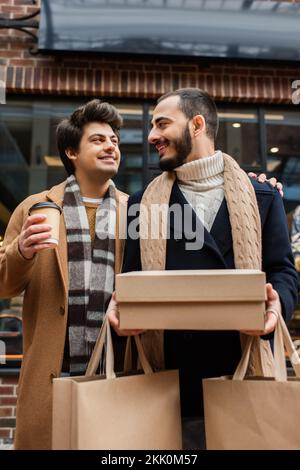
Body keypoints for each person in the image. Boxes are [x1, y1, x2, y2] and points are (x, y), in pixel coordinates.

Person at [108, 88, 298, 449]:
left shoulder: (263, 197)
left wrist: (277, 306)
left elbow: (283, 273)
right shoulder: (141, 204)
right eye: (151, 125)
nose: (151, 135)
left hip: (244, 377)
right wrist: (121, 312)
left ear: (197, 125)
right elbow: (128, 283)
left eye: (162, 123)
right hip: (166, 389)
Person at [0, 99, 128, 450]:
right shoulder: (35, 207)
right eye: (98, 140)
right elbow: (3, 283)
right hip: (50, 379)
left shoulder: (136, 212)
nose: (111, 146)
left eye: (114, 140)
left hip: (116, 376)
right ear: (71, 151)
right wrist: (22, 251)